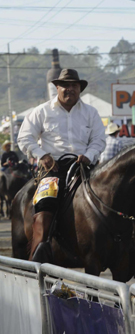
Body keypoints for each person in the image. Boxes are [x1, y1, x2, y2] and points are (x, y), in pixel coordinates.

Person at [16, 69, 106, 262]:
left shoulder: (91, 113)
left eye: (74, 85)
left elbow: (99, 139)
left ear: (79, 89)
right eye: (65, 85)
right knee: (45, 201)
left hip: (83, 167)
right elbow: (24, 138)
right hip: (53, 168)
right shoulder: (42, 111)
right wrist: (42, 155)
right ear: (57, 87)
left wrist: (89, 156)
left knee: (110, 195)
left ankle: (122, 246)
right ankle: (40, 248)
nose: (69, 89)